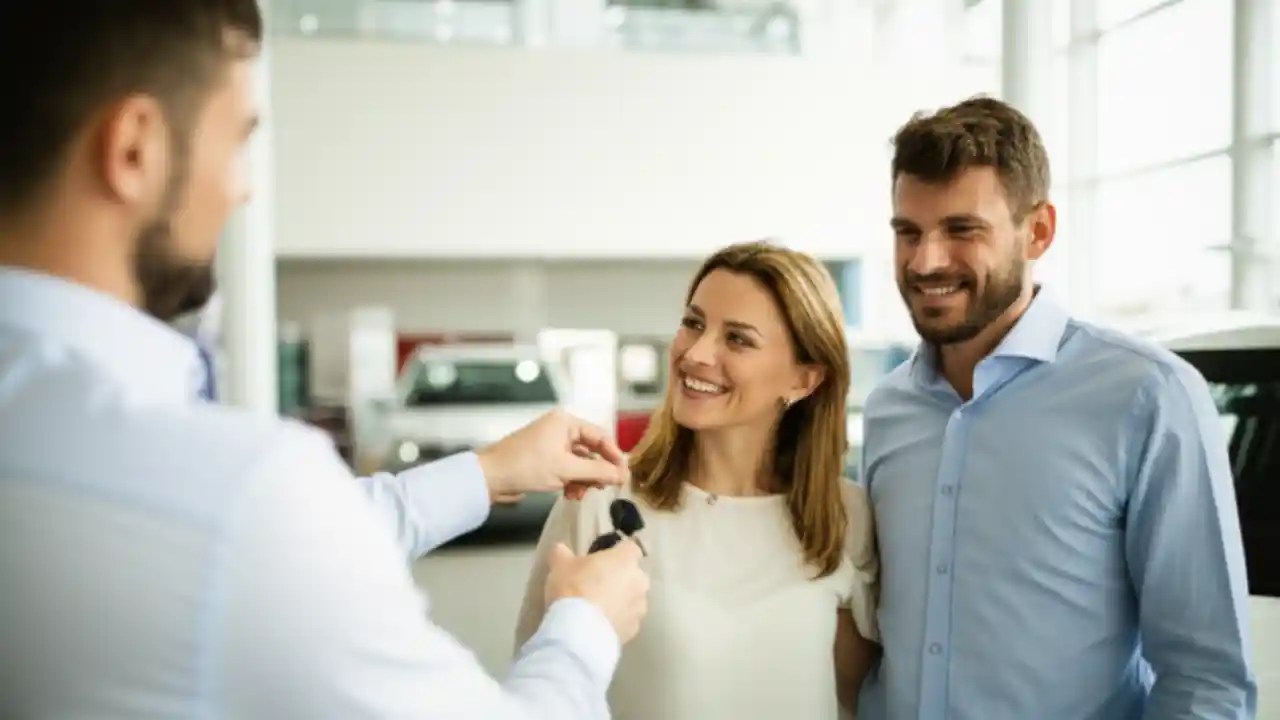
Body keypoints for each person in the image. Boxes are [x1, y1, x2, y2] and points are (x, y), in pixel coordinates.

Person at [0, 2, 649, 718]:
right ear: (135, 150)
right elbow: (253, 543)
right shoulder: (239, 494)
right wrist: (584, 625)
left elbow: (257, 556)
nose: (243, 189)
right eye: (238, 142)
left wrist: (487, 471)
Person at [857, 96, 1257, 719]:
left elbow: (1206, 677)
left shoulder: (1147, 395)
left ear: (1037, 231)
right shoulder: (888, 410)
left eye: (962, 230)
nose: (926, 261)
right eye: (908, 232)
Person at [515, 241, 881, 719]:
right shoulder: (600, 502)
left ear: (804, 380)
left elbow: (852, 701)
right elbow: (534, 692)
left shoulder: (844, 518)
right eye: (693, 323)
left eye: (738, 339)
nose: (696, 353)